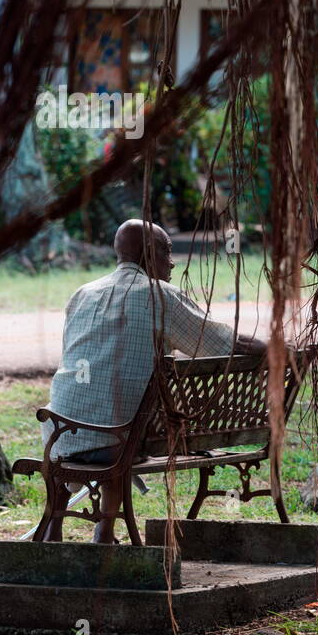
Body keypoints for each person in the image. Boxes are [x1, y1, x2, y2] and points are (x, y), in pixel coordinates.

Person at [42, 219, 266, 542]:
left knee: (100, 402)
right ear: (149, 253)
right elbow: (222, 344)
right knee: (121, 417)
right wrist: (274, 349)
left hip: (60, 438)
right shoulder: (161, 297)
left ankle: (55, 527)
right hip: (121, 442)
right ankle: (104, 529)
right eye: (167, 251)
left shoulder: (81, 295)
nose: (172, 261)